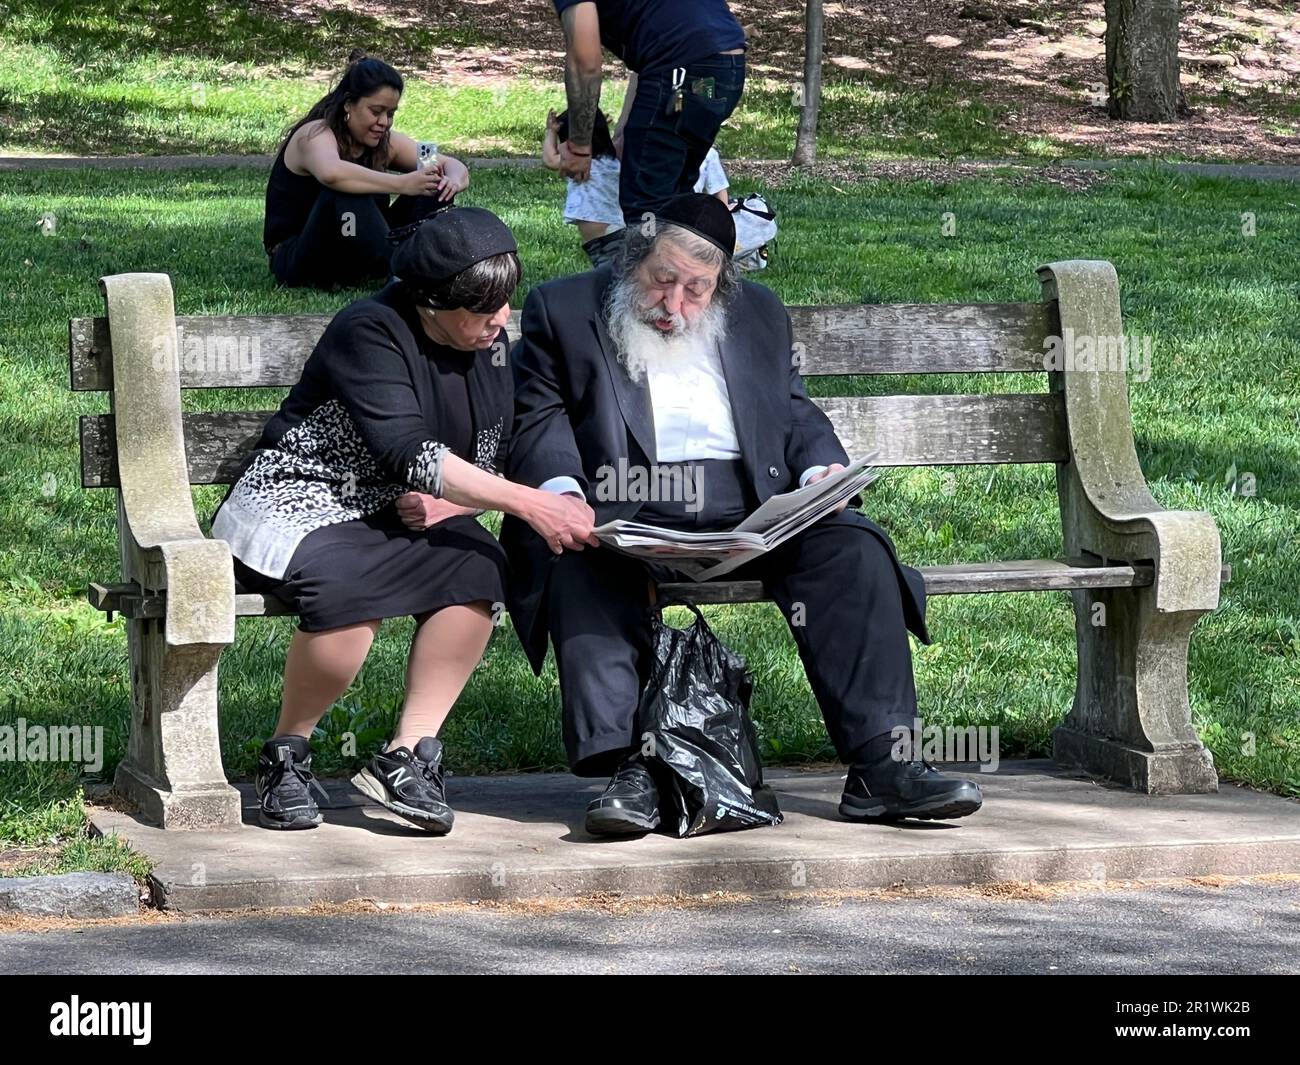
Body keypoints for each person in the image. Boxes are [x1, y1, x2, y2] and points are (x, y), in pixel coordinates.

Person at [502, 193, 983, 836]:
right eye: (662, 282)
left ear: (722, 282)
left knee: (854, 548)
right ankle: (632, 771)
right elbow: (540, 416)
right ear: (630, 264)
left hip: (750, 507)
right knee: (580, 556)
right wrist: (561, 492)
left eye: (696, 289)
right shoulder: (563, 309)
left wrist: (819, 470)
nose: (675, 306)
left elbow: (790, 406)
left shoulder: (756, 312)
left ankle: (881, 768)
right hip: (620, 501)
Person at [212, 207, 596, 833]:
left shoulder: (490, 345)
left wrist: (470, 502)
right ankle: (289, 753)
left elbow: (499, 445)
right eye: (482, 308)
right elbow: (410, 451)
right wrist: (528, 504)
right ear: (430, 302)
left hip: (405, 502)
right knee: (346, 589)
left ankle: (407, 755)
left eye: (505, 303)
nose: (500, 321)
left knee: (477, 568)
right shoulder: (371, 329)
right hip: (307, 496)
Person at [262, 50, 472, 289]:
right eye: (376, 111)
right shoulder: (315, 134)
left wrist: (452, 180)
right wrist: (402, 184)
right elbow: (332, 173)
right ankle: (401, 269)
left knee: (434, 183)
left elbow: (448, 164)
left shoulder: (386, 141)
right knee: (344, 193)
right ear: (349, 104)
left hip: (359, 248)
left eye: (390, 114)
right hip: (302, 256)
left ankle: (419, 263)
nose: (384, 122)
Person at [552, 1, 745, 227]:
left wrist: (579, 147)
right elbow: (654, 51)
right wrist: (625, 129)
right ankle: (694, 256)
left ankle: (661, 260)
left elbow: (585, 63)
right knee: (676, 201)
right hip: (724, 70)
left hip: (681, 72)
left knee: (646, 212)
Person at [542, 107, 731, 267]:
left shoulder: (581, 163)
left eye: (563, 140)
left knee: (612, 279)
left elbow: (550, 160)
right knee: (624, 272)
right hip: (620, 230)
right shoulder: (613, 160)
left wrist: (550, 131)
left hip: (602, 240)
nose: (561, 147)